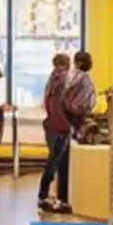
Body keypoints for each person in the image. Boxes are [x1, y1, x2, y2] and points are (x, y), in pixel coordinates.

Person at [38, 54, 73, 213]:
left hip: (51, 126)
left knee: (53, 162)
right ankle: (60, 199)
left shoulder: (51, 80)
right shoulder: (65, 81)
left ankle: (45, 196)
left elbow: (48, 103)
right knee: (60, 164)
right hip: (61, 128)